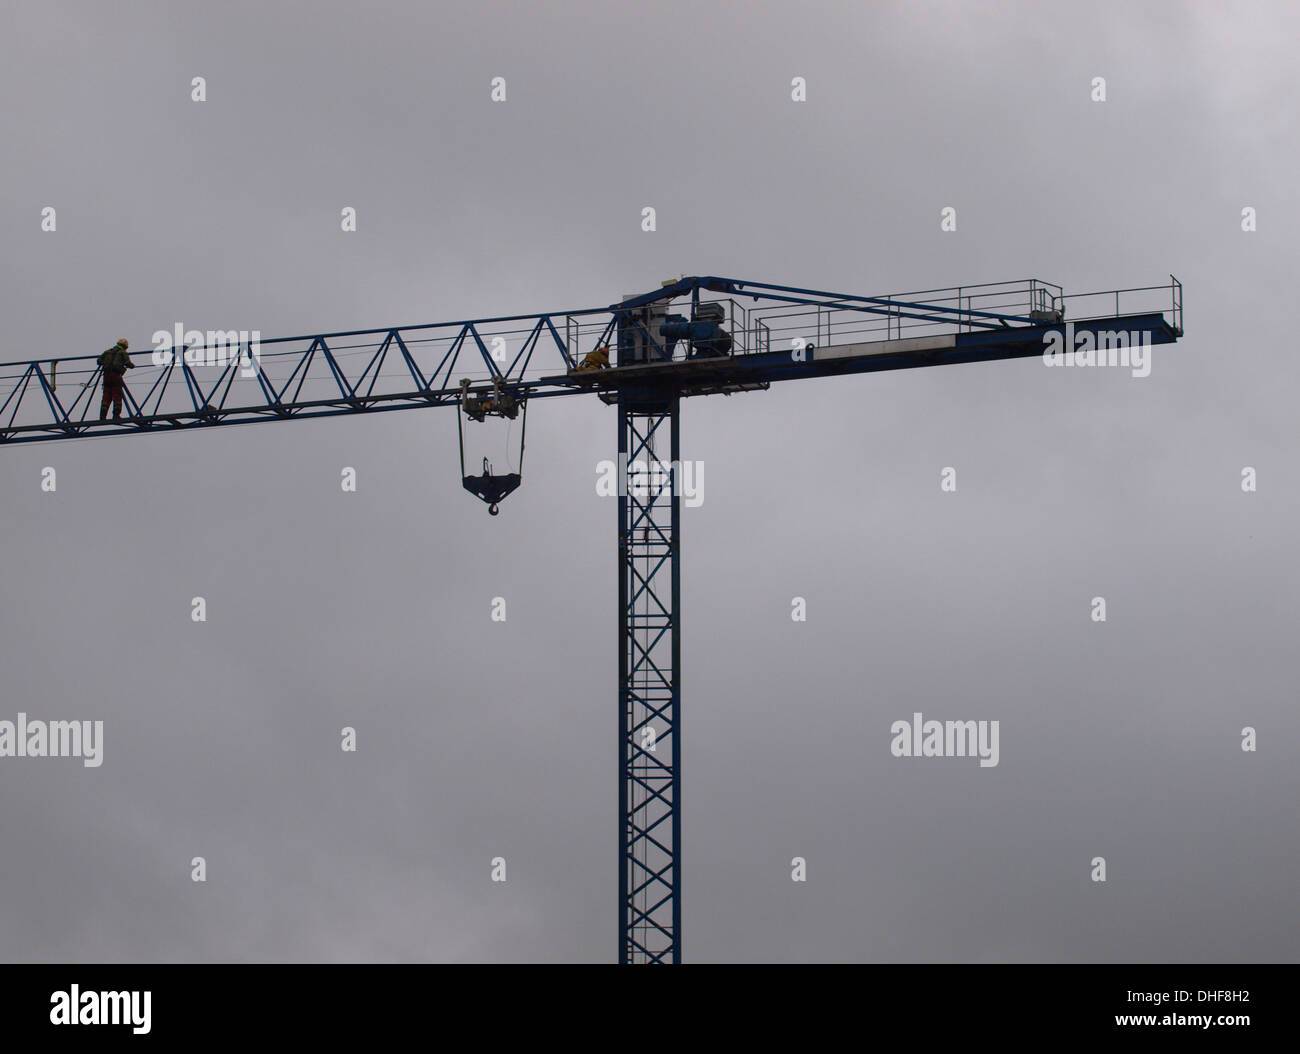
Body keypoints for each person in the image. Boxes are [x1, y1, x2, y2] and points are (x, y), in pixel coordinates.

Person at [97, 338, 135, 420]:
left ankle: (102, 416)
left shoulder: (108, 351)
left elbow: (99, 361)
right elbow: (127, 363)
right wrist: (132, 366)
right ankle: (116, 415)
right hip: (115, 375)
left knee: (106, 395)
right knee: (117, 394)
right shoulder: (123, 353)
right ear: (125, 346)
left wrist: (106, 362)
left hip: (106, 376)